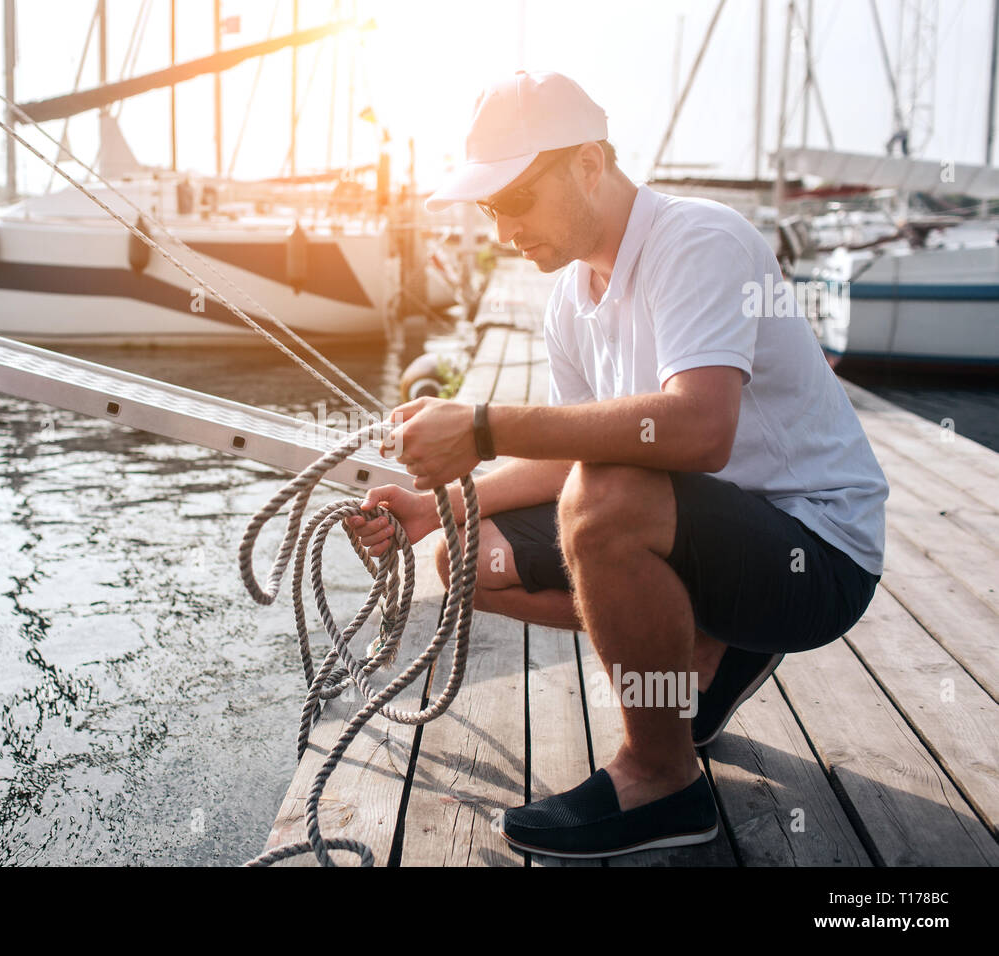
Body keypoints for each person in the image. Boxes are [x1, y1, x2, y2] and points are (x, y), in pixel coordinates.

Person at [347, 71, 887, 859]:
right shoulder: (570, 299)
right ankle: (707, 652)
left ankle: (662, 779)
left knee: (608, 500)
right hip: (709, 536)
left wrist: (485, 425)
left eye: (516, 201)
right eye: (489, 209)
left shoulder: (698, 242)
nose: (501, 232)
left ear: (589, 166)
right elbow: (576, 454)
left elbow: (702, 431)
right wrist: (438, 507)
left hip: (819, 556)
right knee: (468, 557)